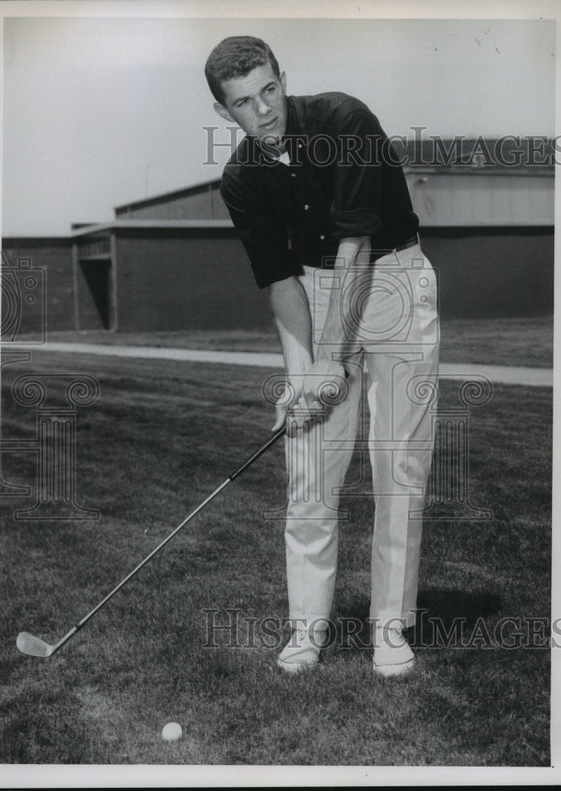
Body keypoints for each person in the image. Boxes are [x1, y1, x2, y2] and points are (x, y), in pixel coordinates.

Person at [205, 36, 440, 677]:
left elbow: (357, 248)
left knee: (399, 468)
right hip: (312, 287)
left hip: (390, 278)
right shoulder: (241, 180)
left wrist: (331, 360)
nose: (265, 110)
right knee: (309, 470)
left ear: (284, 78)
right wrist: (302, 373)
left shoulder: (344, 120)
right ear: (227, 114)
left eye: (269, 90)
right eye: (245, 103)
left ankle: (390, 630)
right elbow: (280, 281)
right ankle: (306, 631)